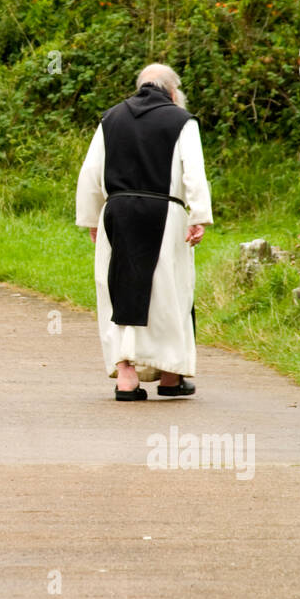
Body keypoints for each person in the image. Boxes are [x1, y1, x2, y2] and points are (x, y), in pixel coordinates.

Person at [75, 63, 213, 401]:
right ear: (173, 91)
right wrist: (199, 215)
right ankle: (169, 377)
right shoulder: (181, 120)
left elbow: (91, 172)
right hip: (164, 212)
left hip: (117, 212)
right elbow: (193, 171)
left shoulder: (110, 118)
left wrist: (92, 219)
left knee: (118, 291)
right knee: (169, 293)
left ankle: (126, 379)